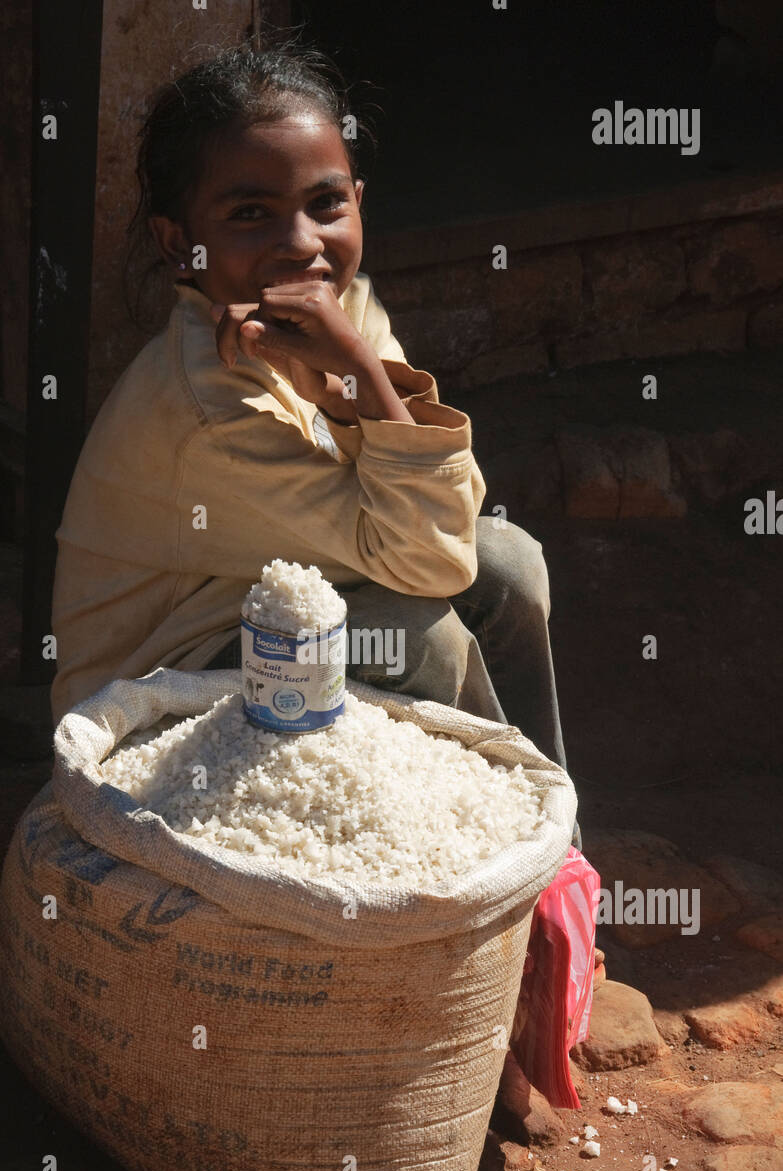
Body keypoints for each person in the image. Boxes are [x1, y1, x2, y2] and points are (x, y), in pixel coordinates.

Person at [50, 41, 576, 835]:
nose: (301, 243)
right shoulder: (205, 414)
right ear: (175, 243)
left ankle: (551, 854)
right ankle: (492, 867)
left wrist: (344, 381)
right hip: (156, 706)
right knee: (415, 639)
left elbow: (457, 527)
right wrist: (361, 376)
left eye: (326, 203)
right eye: (249, 213)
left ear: (358, 200)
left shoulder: (340, 314)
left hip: (267, 614)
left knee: (511, 565)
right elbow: (427, 557)